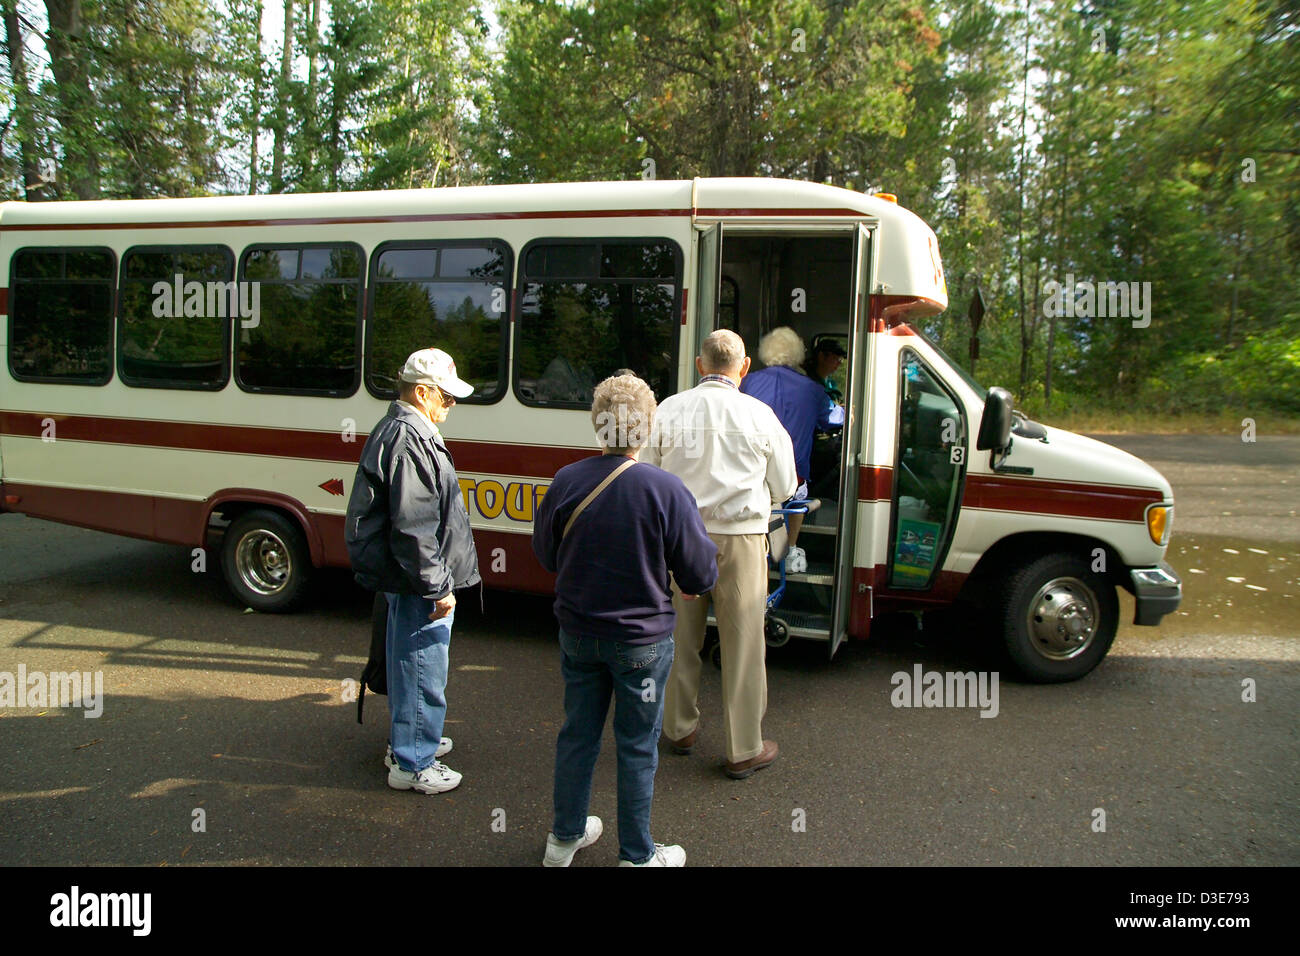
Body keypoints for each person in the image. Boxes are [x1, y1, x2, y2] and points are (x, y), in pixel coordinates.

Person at [533, 374, 718, 867]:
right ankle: (636, 855)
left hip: (578, 634)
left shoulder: (567, 480)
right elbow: (699, 574)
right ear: (648, 427)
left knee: (578, 733)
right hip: (642, 645)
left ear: (598, 424)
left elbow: (546, 556)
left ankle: (564, 837)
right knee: (636, 746)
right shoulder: (666, 489)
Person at [644, 330, 796, 779]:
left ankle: (679, 728)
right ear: (743, 367)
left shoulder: (668, 409)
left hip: (680, 540)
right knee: (744, 645)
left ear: (699, 365)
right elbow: (785, 486)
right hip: (743, 540)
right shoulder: (760, 415)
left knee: (678, 638)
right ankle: (744, 748)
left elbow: (647, 474)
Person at [345, 348, 480, 794]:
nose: (451, 405)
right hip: (418, 580)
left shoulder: (405, 429)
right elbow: (415, 526)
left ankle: (409, 741)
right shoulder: (410, 437)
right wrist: (439, 586)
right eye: (446, 396)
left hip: (407, 578)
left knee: (411, 662)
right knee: (423, 665)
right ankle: (414, 763)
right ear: (422, 392)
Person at [740, 327, 835, 571]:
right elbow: (833, 420)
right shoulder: (813, 390)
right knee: (799, 495)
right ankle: (790, 550)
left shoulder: (747, 382)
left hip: (751, 469)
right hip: (792, 473)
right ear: (797, 355)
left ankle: (756, 549)